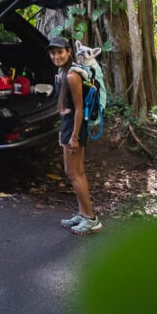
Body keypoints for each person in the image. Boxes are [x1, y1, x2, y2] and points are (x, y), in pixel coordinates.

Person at [48, 35, 102, 235]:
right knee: (76, 172)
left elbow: (79, 108)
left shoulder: (72, 76)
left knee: (73, 173)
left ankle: (91, 219)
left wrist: (74, 137)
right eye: (53, 53)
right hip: (68, 126)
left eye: (60, 52)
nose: (56, 56)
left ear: (69, 52)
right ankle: (82, 214)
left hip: (75, 127)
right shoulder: (62, 72)